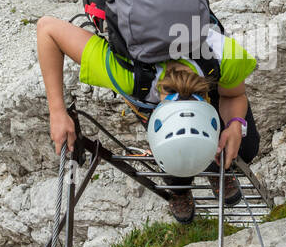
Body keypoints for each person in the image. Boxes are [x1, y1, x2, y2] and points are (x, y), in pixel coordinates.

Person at [35, 15, 261, 223]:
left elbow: (234, 96)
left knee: (246, 146)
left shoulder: (225, 56)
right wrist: (56, 112)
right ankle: (180, 188)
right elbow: (46, 29)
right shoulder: (127, 73)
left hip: (195, 75)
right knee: (173, 150)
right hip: (149, 81)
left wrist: (234, 125)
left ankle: (215, 170)